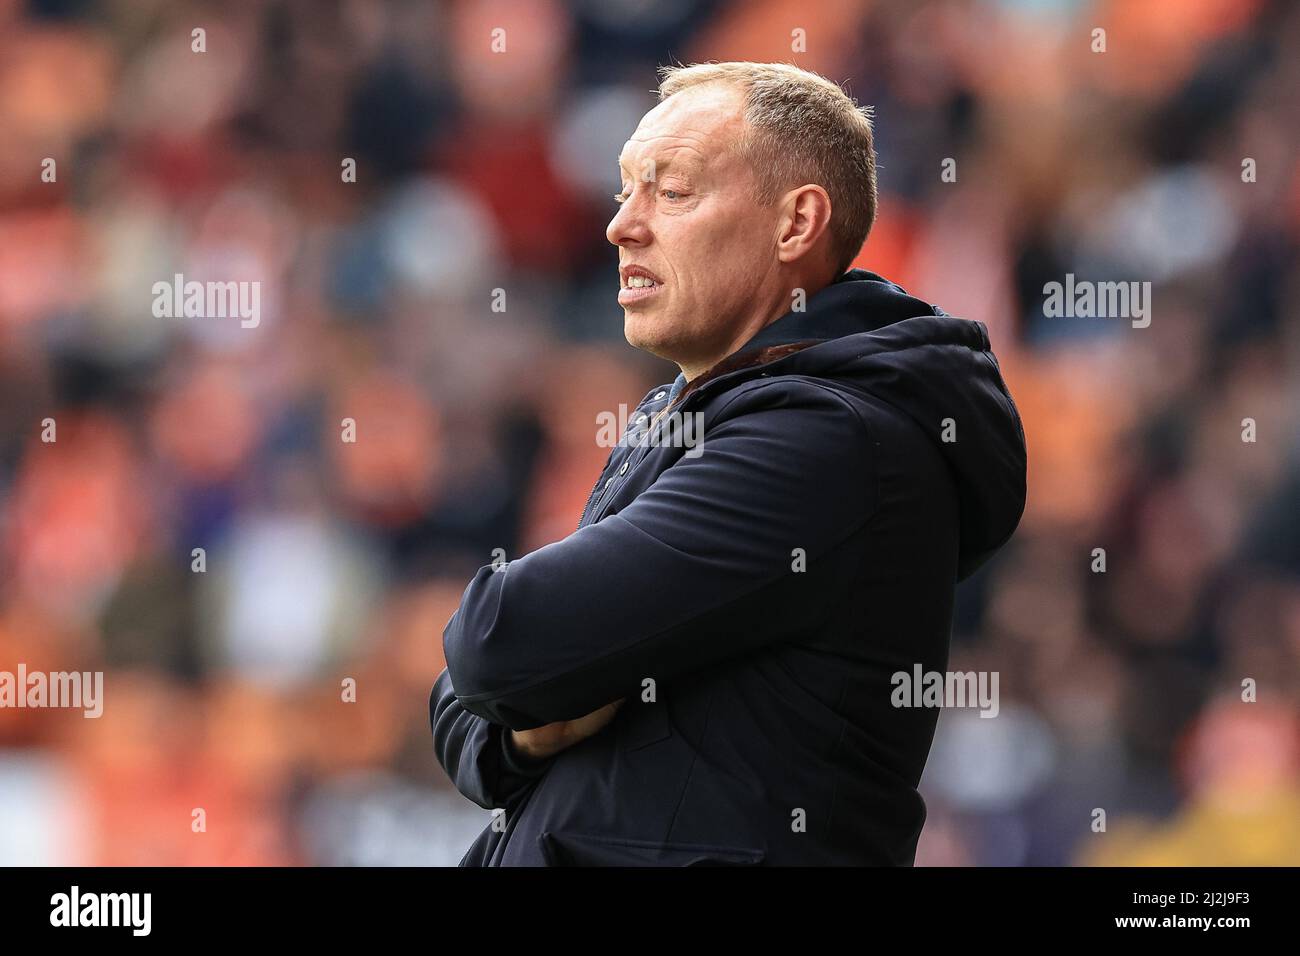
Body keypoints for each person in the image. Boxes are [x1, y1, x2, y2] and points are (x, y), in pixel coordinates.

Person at [430, 61, 1026, 866]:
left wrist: (524, 692)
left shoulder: (827, 440)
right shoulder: (698, 416)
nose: (621, 227)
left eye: (671, 193)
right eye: (624, 191)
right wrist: (522, 737)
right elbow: (467, 704)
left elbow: (497, 639)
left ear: (795, 224)